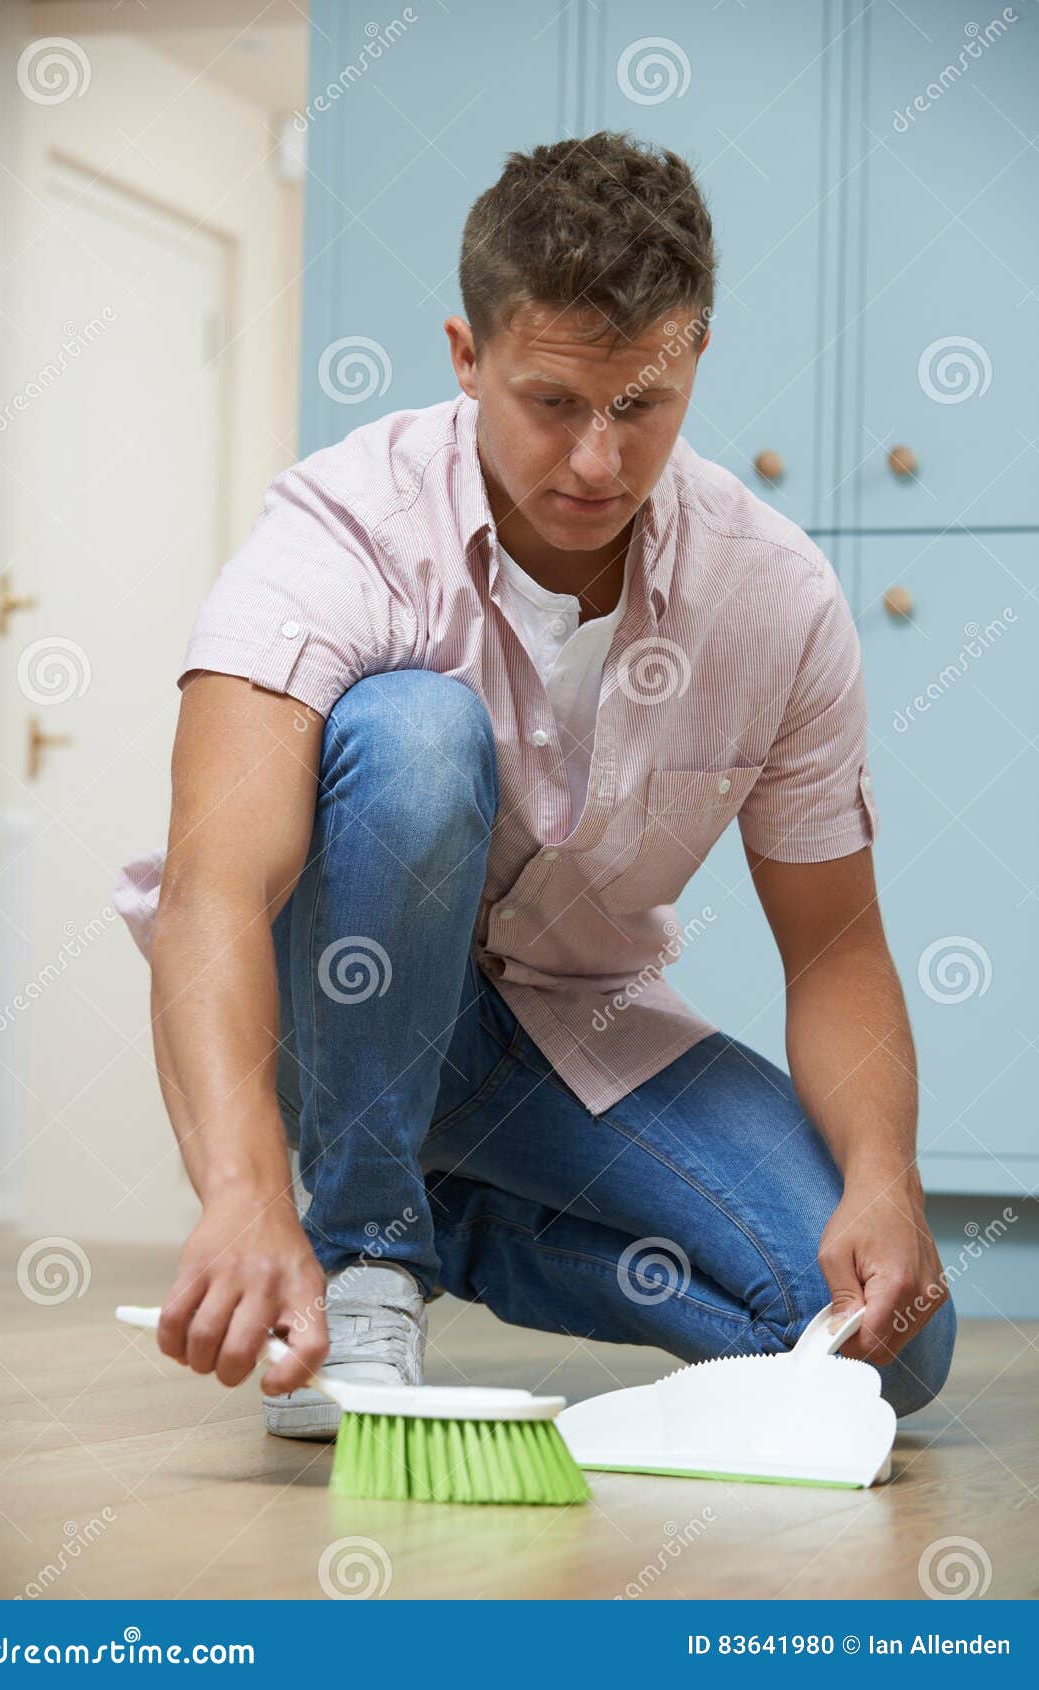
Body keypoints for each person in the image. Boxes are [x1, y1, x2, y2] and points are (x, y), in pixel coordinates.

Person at [115, 130, 955, 1441]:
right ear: (467, 357)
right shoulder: (341, 532)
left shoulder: (774, 598)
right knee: (414, 733)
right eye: (554, 403)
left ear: (694, 359)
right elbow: (213, 893)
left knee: (879, 1347)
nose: (598, 464)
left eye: (641, 406)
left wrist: (886, 1176)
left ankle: (436, 1232)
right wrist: (241, 1188)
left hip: (575, 1024)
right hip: (329, 1013)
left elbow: (836, 947)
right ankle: (363, 1241)